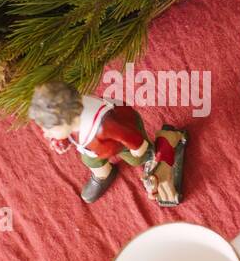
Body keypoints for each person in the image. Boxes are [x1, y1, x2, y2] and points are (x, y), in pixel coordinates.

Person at [28, 81, 185, 206]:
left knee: (137, 158)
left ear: (69, 119)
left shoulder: (104, 125)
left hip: (121, 140)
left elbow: (126, 134)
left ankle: (155, 151)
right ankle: (104, 174)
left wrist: (138, 147)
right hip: (93, 148)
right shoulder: (73, 119)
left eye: (50, 129)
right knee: (90, 160)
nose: (46, 133)